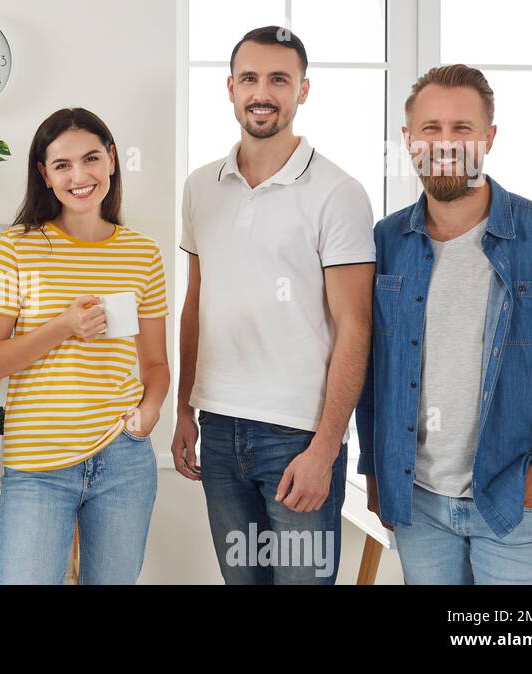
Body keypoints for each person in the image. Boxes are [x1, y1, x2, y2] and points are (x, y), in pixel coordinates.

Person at [356, 64, 532, 584]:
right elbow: (372, 371)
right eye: (431, 129)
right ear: (408, 141)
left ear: (489, 138)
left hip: (513, 502)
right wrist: (376, 471)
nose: (446, 143)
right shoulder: (384, 243)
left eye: (462, 128)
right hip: (418, 504)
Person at [171, 26, 375, 584]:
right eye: (250, 78)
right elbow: (197, 303)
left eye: (279, 79)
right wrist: (185, 410)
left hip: (297, 436)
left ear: (303, 90)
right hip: (217, 426)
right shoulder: (200, 187)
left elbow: (356, 327)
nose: (263, 92)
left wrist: (326, 447)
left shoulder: (338, 192)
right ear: (231, 88)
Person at [0, 107, 170, 585]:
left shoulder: (143, 254)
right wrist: (62, 326)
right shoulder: (17, 249)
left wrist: (151, 411)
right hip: (38, 464)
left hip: (124, 458)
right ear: (44, 174)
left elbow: (157, 363)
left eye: (91, 159)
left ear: (112, 160)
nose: (79, 176)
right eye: (62, 165)